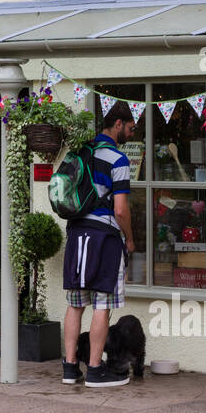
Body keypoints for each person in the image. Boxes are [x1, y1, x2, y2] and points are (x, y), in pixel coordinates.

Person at [63, 104, 137, 387]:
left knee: (75, 304)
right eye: (130, 128)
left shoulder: (82, 152)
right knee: (102, 304)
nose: (131, 134)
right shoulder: (118, 159)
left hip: (76, 234)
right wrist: (129, 238)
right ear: (117, 124)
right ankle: (95, 369)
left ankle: (70, 368)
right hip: (104, 239)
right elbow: (120, 210)